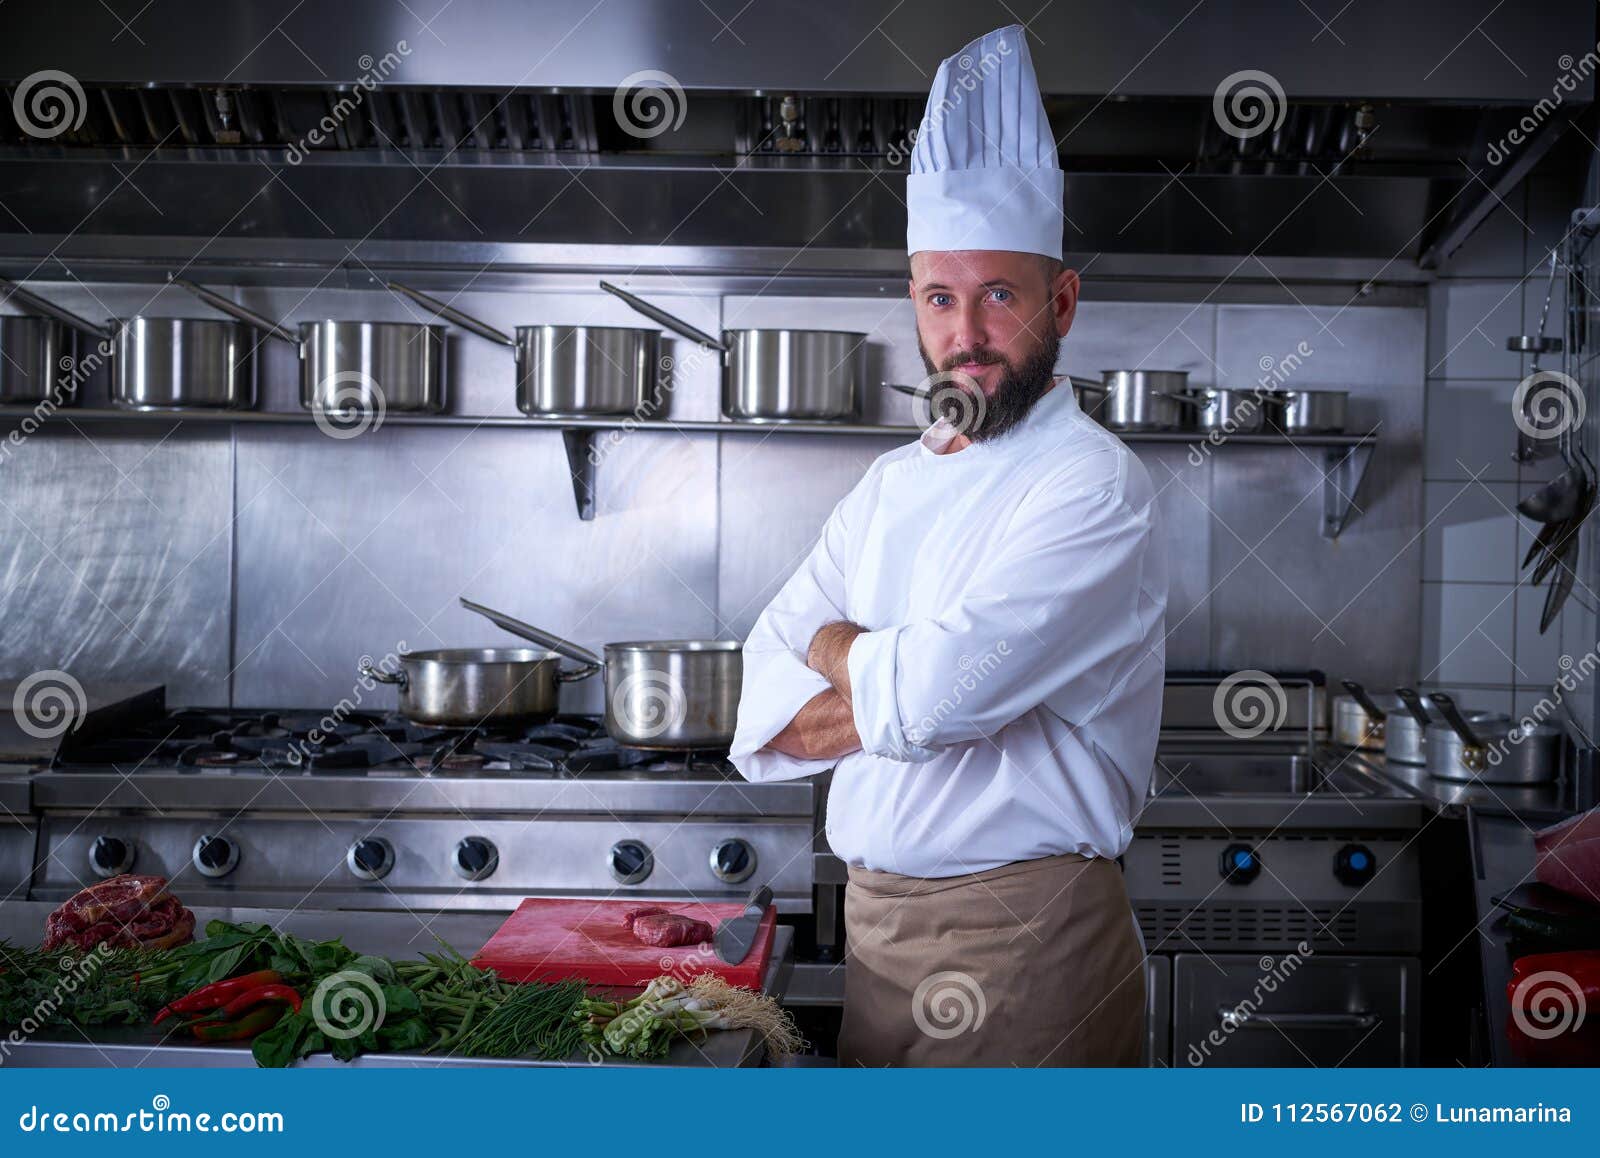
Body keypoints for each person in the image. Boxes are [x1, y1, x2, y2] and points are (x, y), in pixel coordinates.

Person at [727, 24, 1168, 1066]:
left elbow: (932, 698)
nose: (964, 331)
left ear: (1060, 302)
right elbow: (760, 688)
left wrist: (838, 645)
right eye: (939, 298)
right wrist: (890, 681)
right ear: (914, 309)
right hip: (878, 937)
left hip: (1027, 949)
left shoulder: (1092, 483)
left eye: (998, 295)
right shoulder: (890, 484)